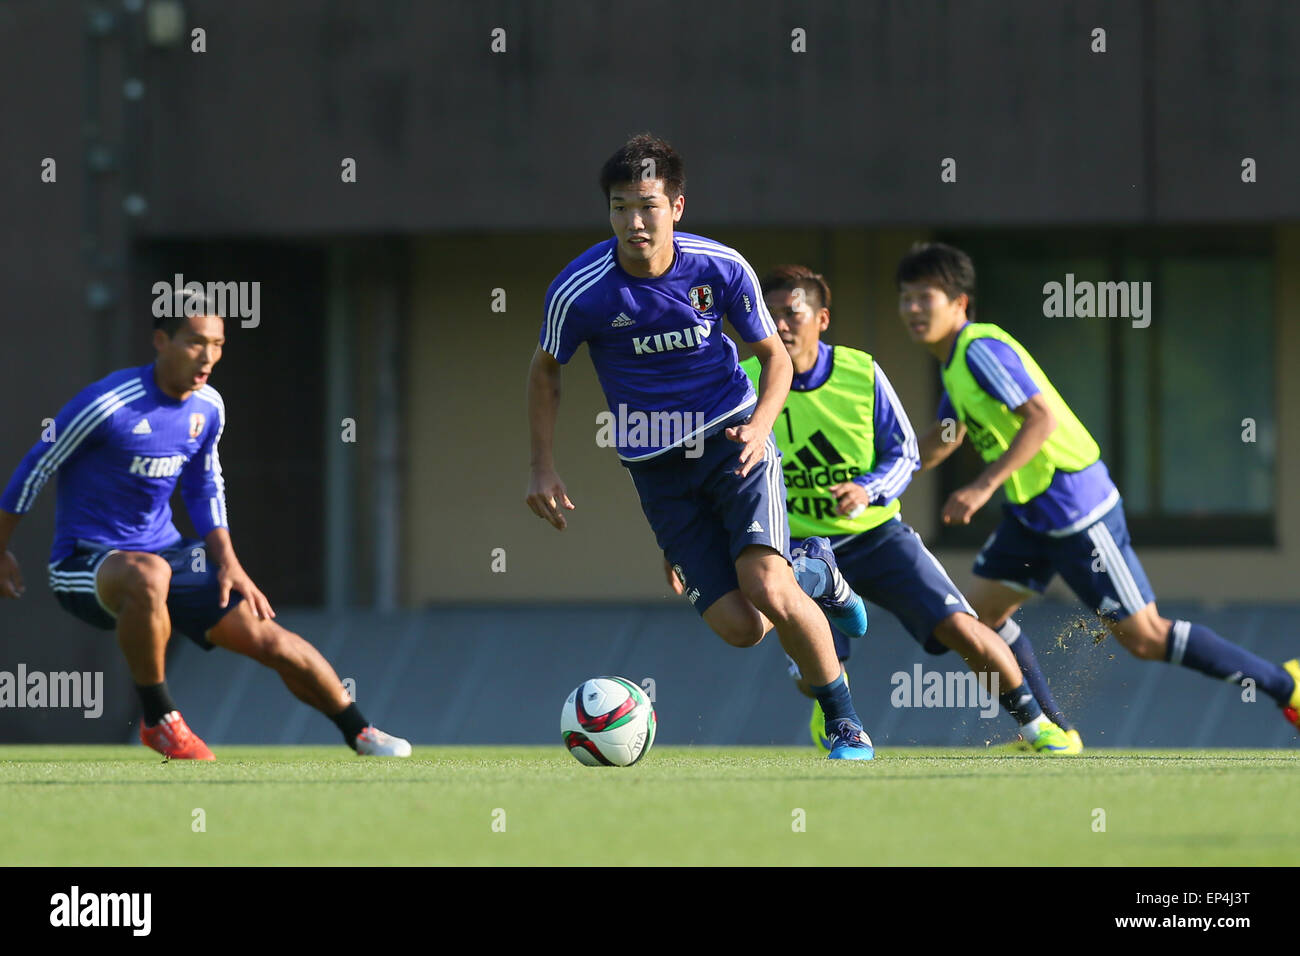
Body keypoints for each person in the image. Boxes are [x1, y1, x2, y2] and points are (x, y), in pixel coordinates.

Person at [525, 134, 874, 758]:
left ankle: (843, 720)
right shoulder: (579, 290)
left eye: (649, 205)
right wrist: (542, 468)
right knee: (742, 630)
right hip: (657, 473)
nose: (635, 221)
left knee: (767, 584)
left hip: (733, 442)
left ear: (677, 207)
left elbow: (774, 358)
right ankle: (814, 569)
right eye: (620, 206)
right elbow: (546, 371)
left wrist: (764, 426)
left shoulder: (721, 268)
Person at [901, 241, 1299, 733]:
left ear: (959, 303)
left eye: (925, 297)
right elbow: (945, 437)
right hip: (1031, 515)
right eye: (906, 298)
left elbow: (1040, 421)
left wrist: (982, 487)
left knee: (1145, 638)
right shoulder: (954, 363)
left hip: (1075, 509)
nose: (913, 309)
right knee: (977, 618)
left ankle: (1287, 685)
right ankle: (1051, 734)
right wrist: (876, 477)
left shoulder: (980, 351)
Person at [0, 295, 411, 759]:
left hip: (168, 555)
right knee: (147, 575)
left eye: (217, 344)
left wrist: (229, 563)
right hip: (86, 561)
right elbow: (35, 467)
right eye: (196, 342)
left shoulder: (209, 406)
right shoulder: (107, 403)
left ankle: (360, 732)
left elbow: (203, 485)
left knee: (269, 639)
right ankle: (160, 719)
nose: (208, 356)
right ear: (161, 340)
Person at [745, 265, 1078, 754]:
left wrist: (867, 488)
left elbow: (904, 452)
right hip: (797, 550)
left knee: (963, 627)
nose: (780, 326)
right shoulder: (747, 379)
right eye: (768, 316)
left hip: (875, 536)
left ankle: (1040, 729)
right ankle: (833, 709)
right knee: (811, 664)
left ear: (822, 319)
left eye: (792, 313)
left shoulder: (861, 373)